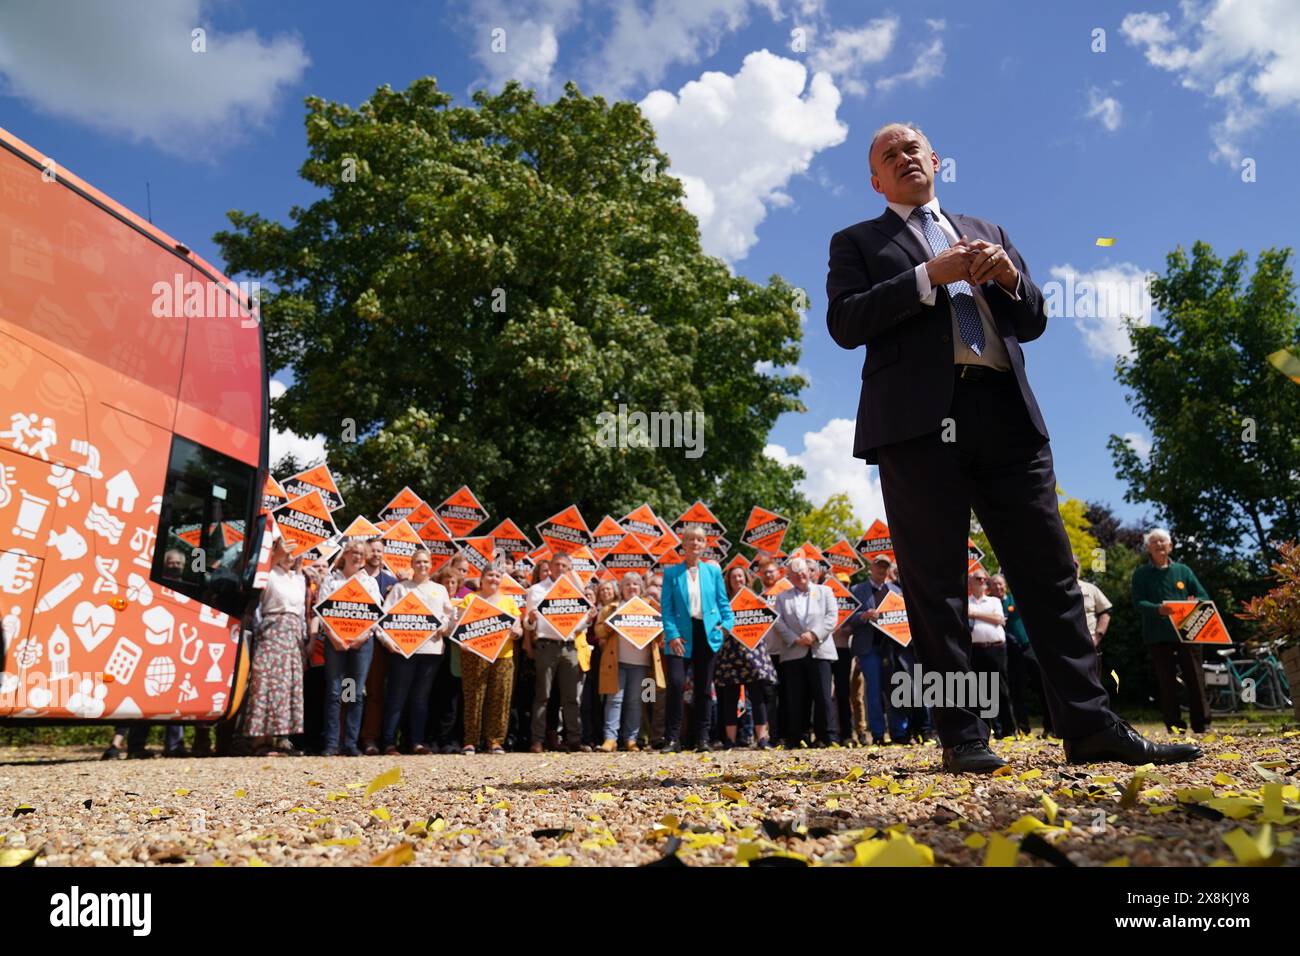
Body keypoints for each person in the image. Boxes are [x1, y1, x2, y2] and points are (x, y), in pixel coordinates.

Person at [825, 121, 1200, 771]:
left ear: (935, 160)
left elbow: (1033, 318)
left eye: (912, 147)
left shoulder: (989, 230)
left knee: (1050, 575)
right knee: (936, 587)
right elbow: (844, 322)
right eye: (888, 155)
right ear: (875, 180)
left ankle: (1089, 726)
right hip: (916, 427)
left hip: (1005, 415)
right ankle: (963, 737)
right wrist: (925, 276)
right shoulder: (856, 241)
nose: (903, 158)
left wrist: (1008, 280)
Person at [659, 525, 735, 752]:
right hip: (680, 635)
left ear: (705, 545)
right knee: (674, 683)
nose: (695, 543)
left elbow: (724, 604)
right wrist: (672, 634)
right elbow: (667, 608)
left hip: (707, 634)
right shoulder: (671, 573)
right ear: (683, 544)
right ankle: (672, 739)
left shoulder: (712, 572)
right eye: (690, 539)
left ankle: (703, 739)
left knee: (703, 688)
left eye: (699, 540)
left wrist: (724, 628)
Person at [242, 534, 318, 756]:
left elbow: (303, 611)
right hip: (272, 630)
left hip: (293, 635)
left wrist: (305, 639)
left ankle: (280, 738)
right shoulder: (269, 574)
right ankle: (259, 741)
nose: (289, 556)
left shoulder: (300, 578)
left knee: (287, 687)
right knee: (265, 683)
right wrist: (276, 556)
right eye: (286, 552)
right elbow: (256, 586)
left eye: (293, 552)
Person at [1131, 528, 1212, 733]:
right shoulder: (1141, 574)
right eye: (1154, 542)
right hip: (1157, 636)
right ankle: (1174, 725)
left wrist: (1194, 602)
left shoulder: (1183, 571)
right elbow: (1138, 603)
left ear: (1170, 546)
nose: (1159, 545)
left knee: (1195, 678)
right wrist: (1158, 609)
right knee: (1167, 682)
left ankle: (1202, 724)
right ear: (1148, 548)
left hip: (1187, 634)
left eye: (1162, 541)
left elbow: (1202, 595)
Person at [377, 548, 456, 754]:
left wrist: (444, 625)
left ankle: (417, 742)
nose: (422, 565)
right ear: (412, 565)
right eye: (418, 562)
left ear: (431, 565)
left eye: (425, 562)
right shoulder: (401, 589)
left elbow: (449, 617)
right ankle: (389, 742)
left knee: (420, 698)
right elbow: (383, 619)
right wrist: (386, 642)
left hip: (431, 651)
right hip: (403, 650)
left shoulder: (440, 590)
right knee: (397, 696)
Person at [312, 540, 381, 756]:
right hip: (336, 644)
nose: (358, 556)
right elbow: (322, 612)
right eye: (354, 552)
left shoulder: (369, 582)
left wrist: (362, 636)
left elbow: (375, 615)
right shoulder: (332, 581)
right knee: (334, 692)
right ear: (345, 554)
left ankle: (350, 743)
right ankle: (332, 743)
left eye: (362, 553)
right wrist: (333, 638)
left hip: (361, 645)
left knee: (353, 693)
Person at [524, 551, 595, 752]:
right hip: (546, 646)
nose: (560, 569)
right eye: (557, 565)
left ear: (569, 568)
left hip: (569, 647)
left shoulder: (575, 592)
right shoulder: (536, 590)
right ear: (551, 566)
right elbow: (528, 625)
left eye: (565, 566)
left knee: (571, 697)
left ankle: (574, 739)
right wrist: (530, 620)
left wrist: (588, 619)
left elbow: (580, 625)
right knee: (542, 695)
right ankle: (537, 740)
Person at [772, 557, 839, 748]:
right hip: (794, 652)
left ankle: (827, 736)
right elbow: (779, 622)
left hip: (820, 650)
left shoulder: (825, 591)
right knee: (796, 697)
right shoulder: (782, 597)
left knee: (823, 696)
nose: (800, 575)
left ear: (809, 573)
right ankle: (798, 737)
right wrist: (796, 638)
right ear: (789, 577)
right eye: (795, 573)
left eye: (803, 571)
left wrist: (814, 635)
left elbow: (831, 617)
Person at [594, 572, 665, 751]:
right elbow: (599, 632)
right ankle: (610, 739)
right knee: (614, 699)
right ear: (622, 588)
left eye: (635, 584)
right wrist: (611, 624)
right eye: (627, 584)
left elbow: (661, 635)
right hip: (616, 662)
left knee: (636, 701)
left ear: (641, 588)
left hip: (642, 664)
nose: (631, 587)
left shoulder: (650, 607)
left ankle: (631, 739)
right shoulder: (611, 608)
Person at [459, 566, 524, 754]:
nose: (493, 579)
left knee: (500, 698)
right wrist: (462, 642)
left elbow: (518, 628)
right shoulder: (470, 599)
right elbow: (461, 627)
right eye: (490, 575)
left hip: (503, 655)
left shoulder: (508, 602)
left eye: (497, 576)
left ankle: (495, 741)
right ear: (482, 578)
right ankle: (471, 741)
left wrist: (516, 633)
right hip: (475, 655)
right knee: (474, 697)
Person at [846, 555, 909, 744]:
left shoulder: (896, 591)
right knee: (873, 692)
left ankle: (899, 733)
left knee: (896, 690)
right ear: (870, 568)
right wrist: (864, 616)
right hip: (869, 648)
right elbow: (848, 618)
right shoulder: (857, 590)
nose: (882, 570)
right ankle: (879, 734)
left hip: (892, 648)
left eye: (885, 567)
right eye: (878, 566)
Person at [714, 564, 778, 749]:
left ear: (746, 578)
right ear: (728, 581)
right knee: (730, 698)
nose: (738, 580)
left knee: (758, 697)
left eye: (740, 576)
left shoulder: (757, 599)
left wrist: (766, 608)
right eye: (734, 577)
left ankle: (762, 739)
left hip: (754, 652)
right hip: (730, 654)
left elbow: (769, 619)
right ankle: (730, 741)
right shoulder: (722, 602)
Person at [359, 538, 400, 755]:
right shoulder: (354, 578)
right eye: (372, 550)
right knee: (349, 690)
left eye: (379, 551)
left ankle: (369, 738)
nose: (376, 554)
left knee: (375, 693)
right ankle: (345, 736)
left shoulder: (391, 582)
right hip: (352, 644)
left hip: (378, 646)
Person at [967, 570, 1016, 739]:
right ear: (970, 583)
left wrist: (974, 614)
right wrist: (984, 616)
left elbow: (999, 619)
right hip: (976, 650)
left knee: (1001, 689)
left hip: (996, 649)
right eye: (977, 579)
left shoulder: (994, 601)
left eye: (984, 579)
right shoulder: (965, 602)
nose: (982, 581)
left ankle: (1009, 729)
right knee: (980, 692)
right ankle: (987, 730)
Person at [988, 572, 1037, 737]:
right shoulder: (990, 604)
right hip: (1002, 652)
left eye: (1000, 584)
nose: (998, 587)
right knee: (1007, 690)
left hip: (1024, 647)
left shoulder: (1014, 599)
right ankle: (1009, 728)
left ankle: (1029, 727)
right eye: (994, 584)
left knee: (1032, 685)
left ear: (1006, 586)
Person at [431, 555, 470, 753]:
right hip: (434, 653)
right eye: (445, 582)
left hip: (456, 656)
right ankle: (436, 739)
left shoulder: (464, 603)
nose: (449, 585)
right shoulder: (433, 599)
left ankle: (452, 740)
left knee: (454, 699)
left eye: (453, 582)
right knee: (437, 697)